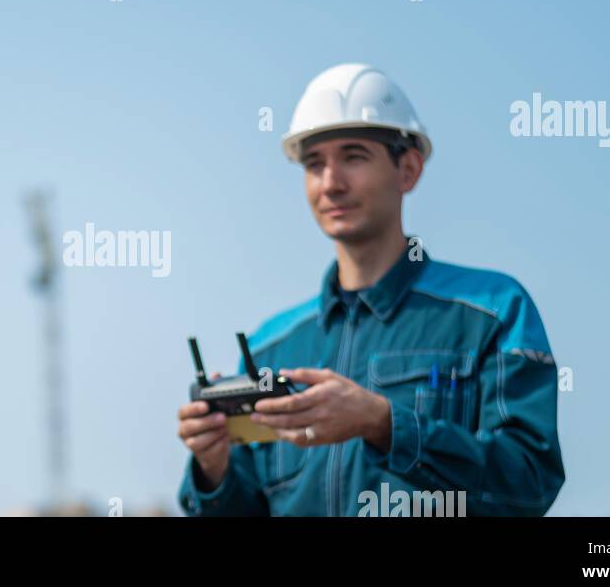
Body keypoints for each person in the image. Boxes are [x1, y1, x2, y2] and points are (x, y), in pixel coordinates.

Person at [176, 64, 564, 517]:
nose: (330, 183)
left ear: (409, 169)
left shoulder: (493, 312)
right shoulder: (269, 347)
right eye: (314, 163)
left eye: (354, 156)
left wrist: (383, 424)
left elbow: (529, 485)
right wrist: (213, 468)